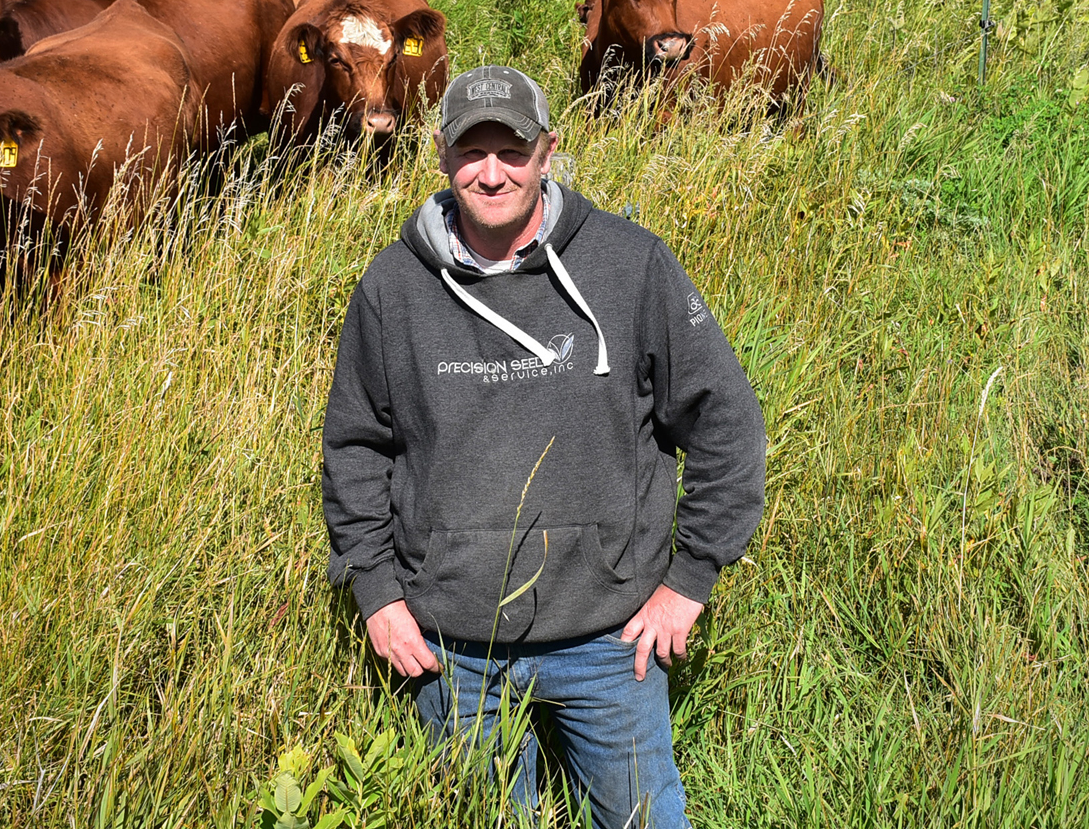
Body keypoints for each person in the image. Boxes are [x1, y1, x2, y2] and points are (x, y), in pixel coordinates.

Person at [321, 64, 767, 828]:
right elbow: (357, 445)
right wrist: (377, 591)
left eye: (513, 151)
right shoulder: (393, 287)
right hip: (450, 645)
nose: (491, 174)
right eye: (471, 152)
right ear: (439, 154)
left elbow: (727, 422)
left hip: (609, 639)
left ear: (549, 151)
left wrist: (690, 578)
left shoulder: (630, 265)